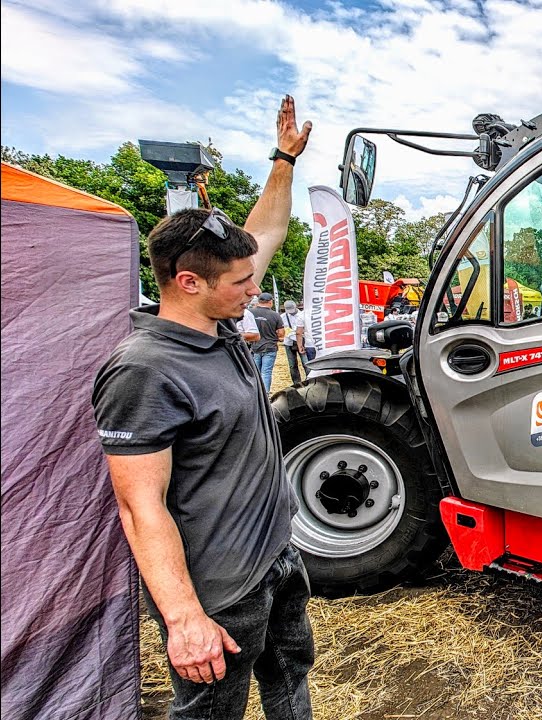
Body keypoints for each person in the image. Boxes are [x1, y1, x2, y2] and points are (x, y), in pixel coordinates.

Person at [91, 95, 314, 720]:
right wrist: (185, 618)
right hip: (220, 592)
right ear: (188, 282)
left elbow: (266, 232)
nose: (255, 290)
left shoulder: (217, 324)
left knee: (290, 683)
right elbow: (141, 508)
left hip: (276, 559)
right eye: (242, 282)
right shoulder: (144, 370)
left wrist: (283, 161)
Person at [250, 292, 286, 389]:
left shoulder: (250, 313)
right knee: (266, 372)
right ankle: (265, 393)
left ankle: (256, 392)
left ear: (259, 301)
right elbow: (281, 333)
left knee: (255, 372)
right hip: (270, 347)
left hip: (255, 346)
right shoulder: (275, 315)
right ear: (270, 302)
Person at [280, 300, 306, 387]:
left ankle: (308, 381)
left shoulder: (302, 315)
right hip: (289, 342)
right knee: (292, 365)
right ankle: (297, 384)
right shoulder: (282, 317)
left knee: (305, 363)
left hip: (301, 341)